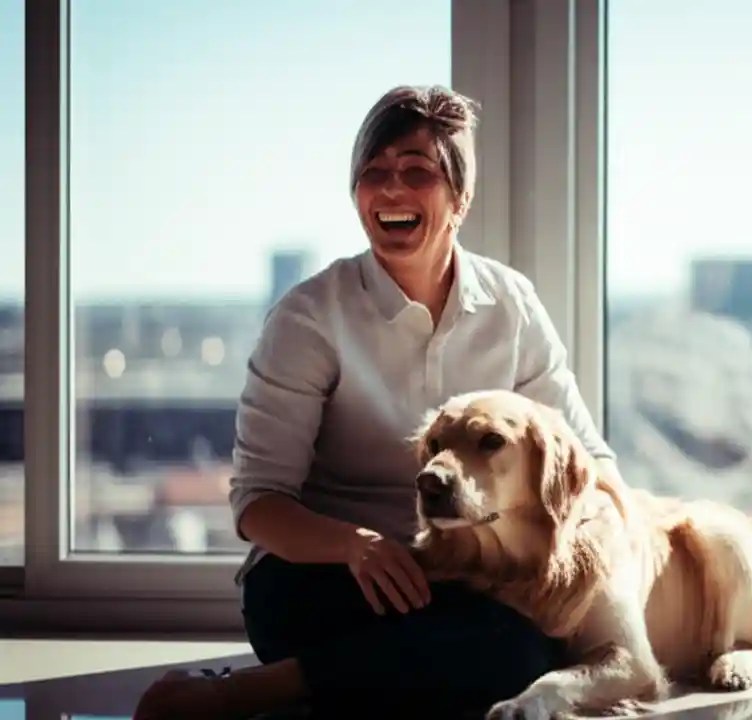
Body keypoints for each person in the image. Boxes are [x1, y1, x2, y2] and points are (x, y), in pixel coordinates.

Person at [133, 84, 618, 719]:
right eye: (373, 173)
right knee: (498, 658)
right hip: (324, 576)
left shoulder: (512, 306)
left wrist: (596, 548)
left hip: (467, 578)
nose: (390, 190)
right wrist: (354, 545)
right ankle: (258, 690)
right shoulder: (309, 315)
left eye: (416, 172)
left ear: (459, 199)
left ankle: (257, 692)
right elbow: (258, 504)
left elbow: (592, 463)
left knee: (523, 648)